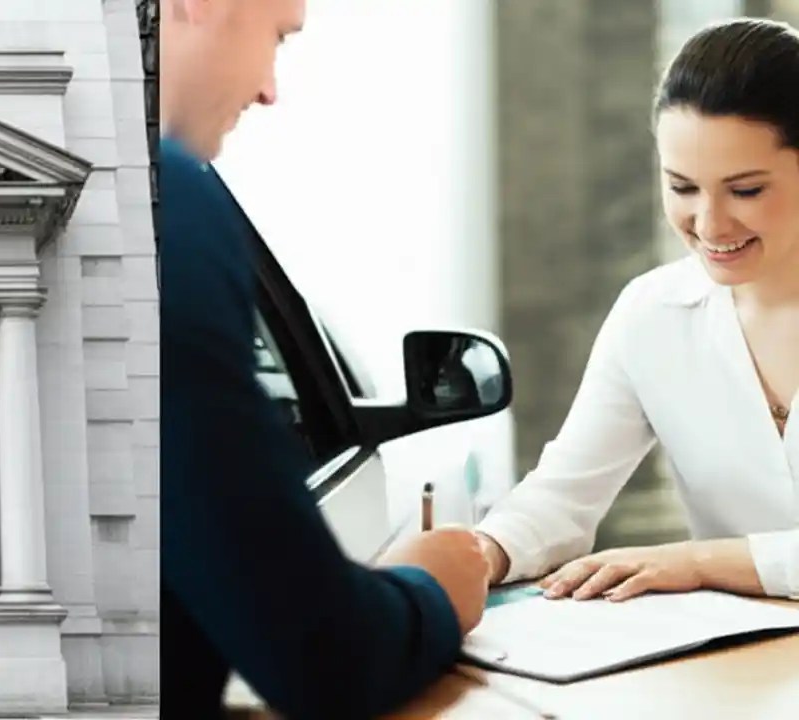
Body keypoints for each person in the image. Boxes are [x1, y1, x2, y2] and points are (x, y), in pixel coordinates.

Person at [160, 1, 490, 717]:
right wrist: (435, 588)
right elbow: (324, 656)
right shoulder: (168, 199)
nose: (270, 88)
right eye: (276, 36)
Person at [475, 17, 799, 604]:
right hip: (743, 672)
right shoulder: (653, 314)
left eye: (746, 190)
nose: (709, 224)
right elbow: (563, 496)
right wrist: (481, 553)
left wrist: (699, 561)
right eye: (682, 188)